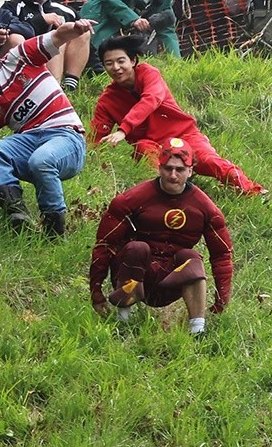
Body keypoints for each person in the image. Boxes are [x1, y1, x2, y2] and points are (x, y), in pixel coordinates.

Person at [0, 20, 93, 236]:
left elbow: (56, 37)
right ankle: (18, 215)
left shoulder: (19, 57)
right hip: (31, 141)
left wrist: (76, 27)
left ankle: (53, 230)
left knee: (41, 159)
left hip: (67, 137)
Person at [88, 139, 234, 335]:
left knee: (192, 257)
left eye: (180, 170)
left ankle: (197, 331)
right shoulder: (132, 199)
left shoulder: (205, 208)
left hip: (171, 279)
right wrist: (96, 292)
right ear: (159, 168)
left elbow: (222, 255)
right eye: (168, 168)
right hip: (135, 272)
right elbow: (105, 244)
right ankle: (122, 323)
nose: (173, 175)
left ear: (190, 171)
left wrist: (221, 300)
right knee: (138, 248)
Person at [90, 35, 264, 195]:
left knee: (209, 162)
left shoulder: (149, 73)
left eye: (121, 61)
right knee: (143, 148)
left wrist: (123, 130)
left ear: (133, 60)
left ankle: (255, 192)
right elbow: (95, 141)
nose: (116, 68)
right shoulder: (107, 100)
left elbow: (151, 99)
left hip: (184, 135)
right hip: (152, 145)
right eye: (109, 63)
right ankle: (161, 196)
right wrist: (99, 171)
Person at [1, 0, 87, 91]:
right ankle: (51, 89)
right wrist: (41, 21)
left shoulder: (66, 11)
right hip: (25, 65)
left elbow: (85, 44)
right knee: (56, 35)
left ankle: (69, 87)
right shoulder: (11, 7)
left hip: (59, 64)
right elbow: (6, 32)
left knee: (81, 29)